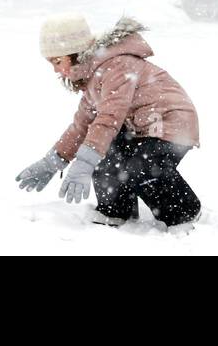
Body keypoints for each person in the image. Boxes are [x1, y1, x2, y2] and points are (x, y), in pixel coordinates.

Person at [15, 14, 202, 229]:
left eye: (58, 61)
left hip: (170, 122)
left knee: (142, 166)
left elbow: (110, 116)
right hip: (138, 128)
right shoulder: (92, 78)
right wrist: (53, 161)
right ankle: (115, 211)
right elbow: (82, 126)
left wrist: (84, 162)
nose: (56, 69)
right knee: (105, 152)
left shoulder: (117, 66)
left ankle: (183, 213)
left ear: (74, 53)